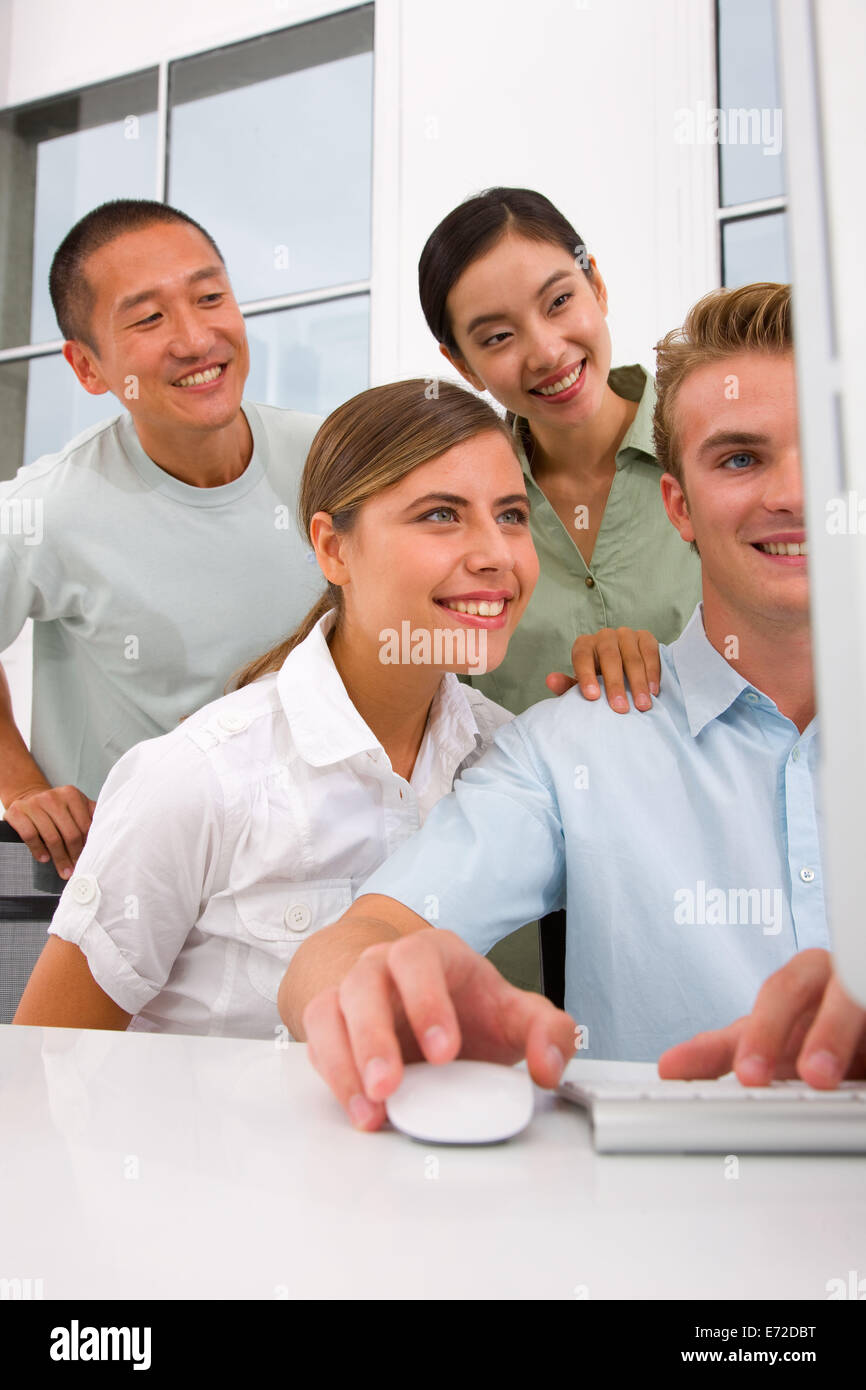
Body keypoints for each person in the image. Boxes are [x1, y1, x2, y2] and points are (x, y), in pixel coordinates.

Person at [279, 282, 865, 1132]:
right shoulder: (570, 752)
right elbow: (357, 938)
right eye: (740, 458)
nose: (795, 494)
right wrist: (378, 992)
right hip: (661, 1240)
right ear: (679, 508)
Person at [12, 379, 541, 1034]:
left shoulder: (512, 763)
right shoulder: (199, 778)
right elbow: (47, 1061)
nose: (495, 555)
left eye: (512, 515)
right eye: (440, 514)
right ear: (332, 547)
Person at [0, 199, 324, 887]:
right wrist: (21, 783)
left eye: (210, 297)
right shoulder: (50, 506)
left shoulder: (329, 461)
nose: (195, 338)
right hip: (133, 886)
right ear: (88, 368)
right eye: (148, 318)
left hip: (311, 868)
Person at [418, 186, 702, 717]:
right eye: (499, 337)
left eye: (559, 302)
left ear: (596, 285)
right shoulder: (445, 515)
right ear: (463, 366)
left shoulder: (715, 448)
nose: (547, 352)